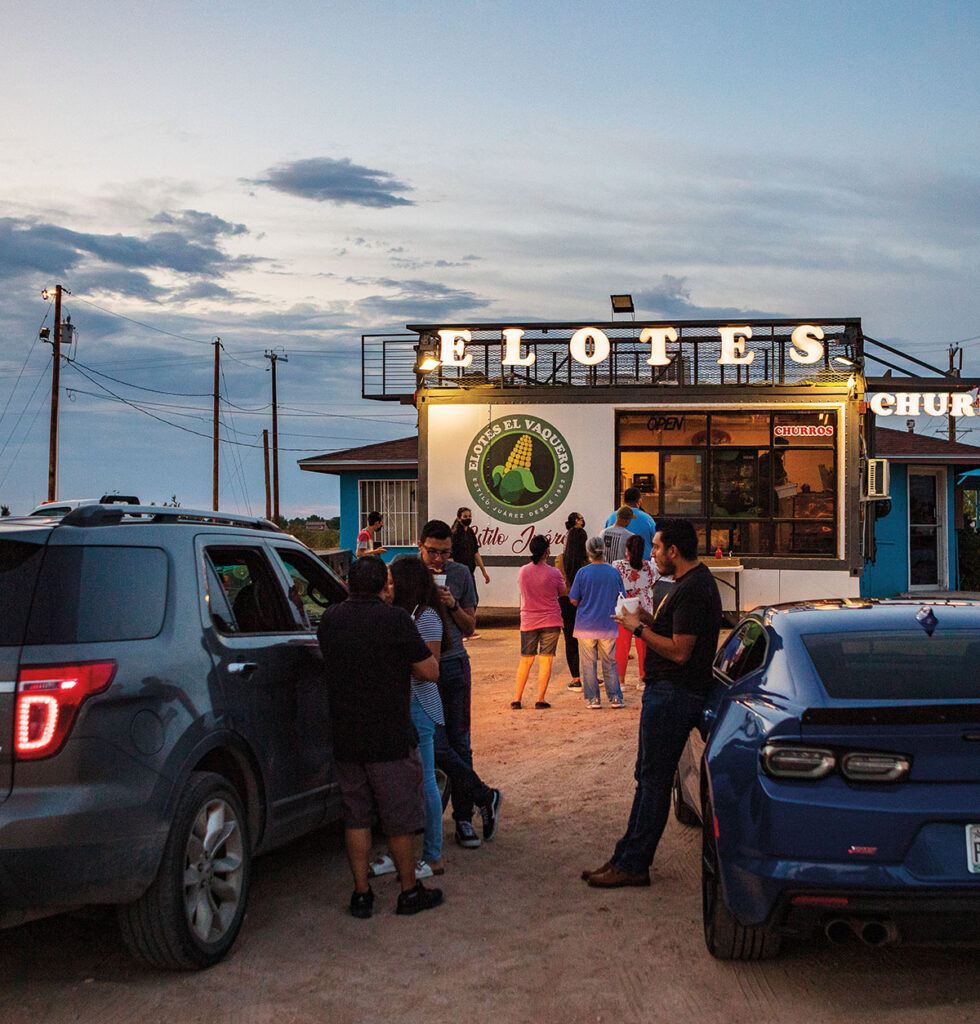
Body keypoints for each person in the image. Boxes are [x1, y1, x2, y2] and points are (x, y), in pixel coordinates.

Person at [583, 518, 722, 888]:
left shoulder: (693, 589)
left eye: (657, 547)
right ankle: (625, 857)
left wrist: (639, 629)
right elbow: (676, 633)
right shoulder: (687, 584)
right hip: (668, 693)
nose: (653, 554)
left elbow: (680, 652)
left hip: (674, 694)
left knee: (653, 781)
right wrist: (646, 617)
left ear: (674, 551)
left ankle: (633, 864)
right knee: (647, 779)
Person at [317, 556, 444, 918]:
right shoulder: (395, 619)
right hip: (389, 734)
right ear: (384, 586)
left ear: (348, 585)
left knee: (356, 816)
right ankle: (409, 891)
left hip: (346, 732)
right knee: (399, 817)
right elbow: (430, 671)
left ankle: (361, 894)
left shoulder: (331, 618)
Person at [418, 519, 502, 848]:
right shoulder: (406, 570)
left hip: (453, 666)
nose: (439, 559)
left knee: (460, 744)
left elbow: (469, 628)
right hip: (418, 670)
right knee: (433, 745)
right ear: (420, 545)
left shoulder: (461, 574)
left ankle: (464, 819)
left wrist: (451, 604)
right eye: (432, 552)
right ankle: (484, 796)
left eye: (445, 553)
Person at [389, 555, 451, 879]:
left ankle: (433, 855)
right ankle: (402, 853)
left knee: (425, 779)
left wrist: (396, 655)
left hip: (419, 704)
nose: (387, 585)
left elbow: (431, 668)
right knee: (401, 782)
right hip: (401, 704)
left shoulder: (426, 617)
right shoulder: (398, 614)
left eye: (391, 580)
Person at [568, 535, 626, 709]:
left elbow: (573, 599)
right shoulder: (614, 572)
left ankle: (594, 699)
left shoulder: (582, 573)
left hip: (585, 625)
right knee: (610, 661)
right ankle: (615, 697)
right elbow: (621, 597)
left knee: (588, 663)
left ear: (588, 552)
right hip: (608, 624)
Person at [513, 535, 565, 709]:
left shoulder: (523, 571)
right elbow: (562, 592)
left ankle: (517, 699)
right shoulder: (554, 573)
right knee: (546, 661)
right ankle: (540, 699)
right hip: (551, 620)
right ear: (547, 551)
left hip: (528, 620)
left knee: (525, 660)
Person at [612, 534, 657, 689]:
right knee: (643, 646)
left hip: (625, 609)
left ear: (627, 550)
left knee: (622, 646)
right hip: (644, 609)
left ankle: (621, 681)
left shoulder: (617, 565)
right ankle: (642, 680)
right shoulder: (650, 567)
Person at [557, 513, 587, 691]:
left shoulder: (560, 560)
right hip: (585, 603)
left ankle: (576, 679)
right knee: (589, 641)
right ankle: (591, 675)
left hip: (566, 603)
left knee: (570, 640)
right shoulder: (587, 563)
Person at [451, 507, 490, 640]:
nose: (468, 518)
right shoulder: (455, 534)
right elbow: (451, 556)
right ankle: (462, 631)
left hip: (469, 572)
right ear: (458, 518)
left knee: (473, 600)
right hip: (459, 574)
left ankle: (468, 630)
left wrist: (484, 571)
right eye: (465, 516)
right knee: (463, 602)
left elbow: (475, 553)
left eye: (469, 516)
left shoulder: (470, 532)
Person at [605, 487, 656, 560]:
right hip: (641, 562)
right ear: (639, 500)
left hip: (614, 561)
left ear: (624, 500)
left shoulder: (612, 517)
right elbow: (655, 541)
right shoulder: (647, 519)